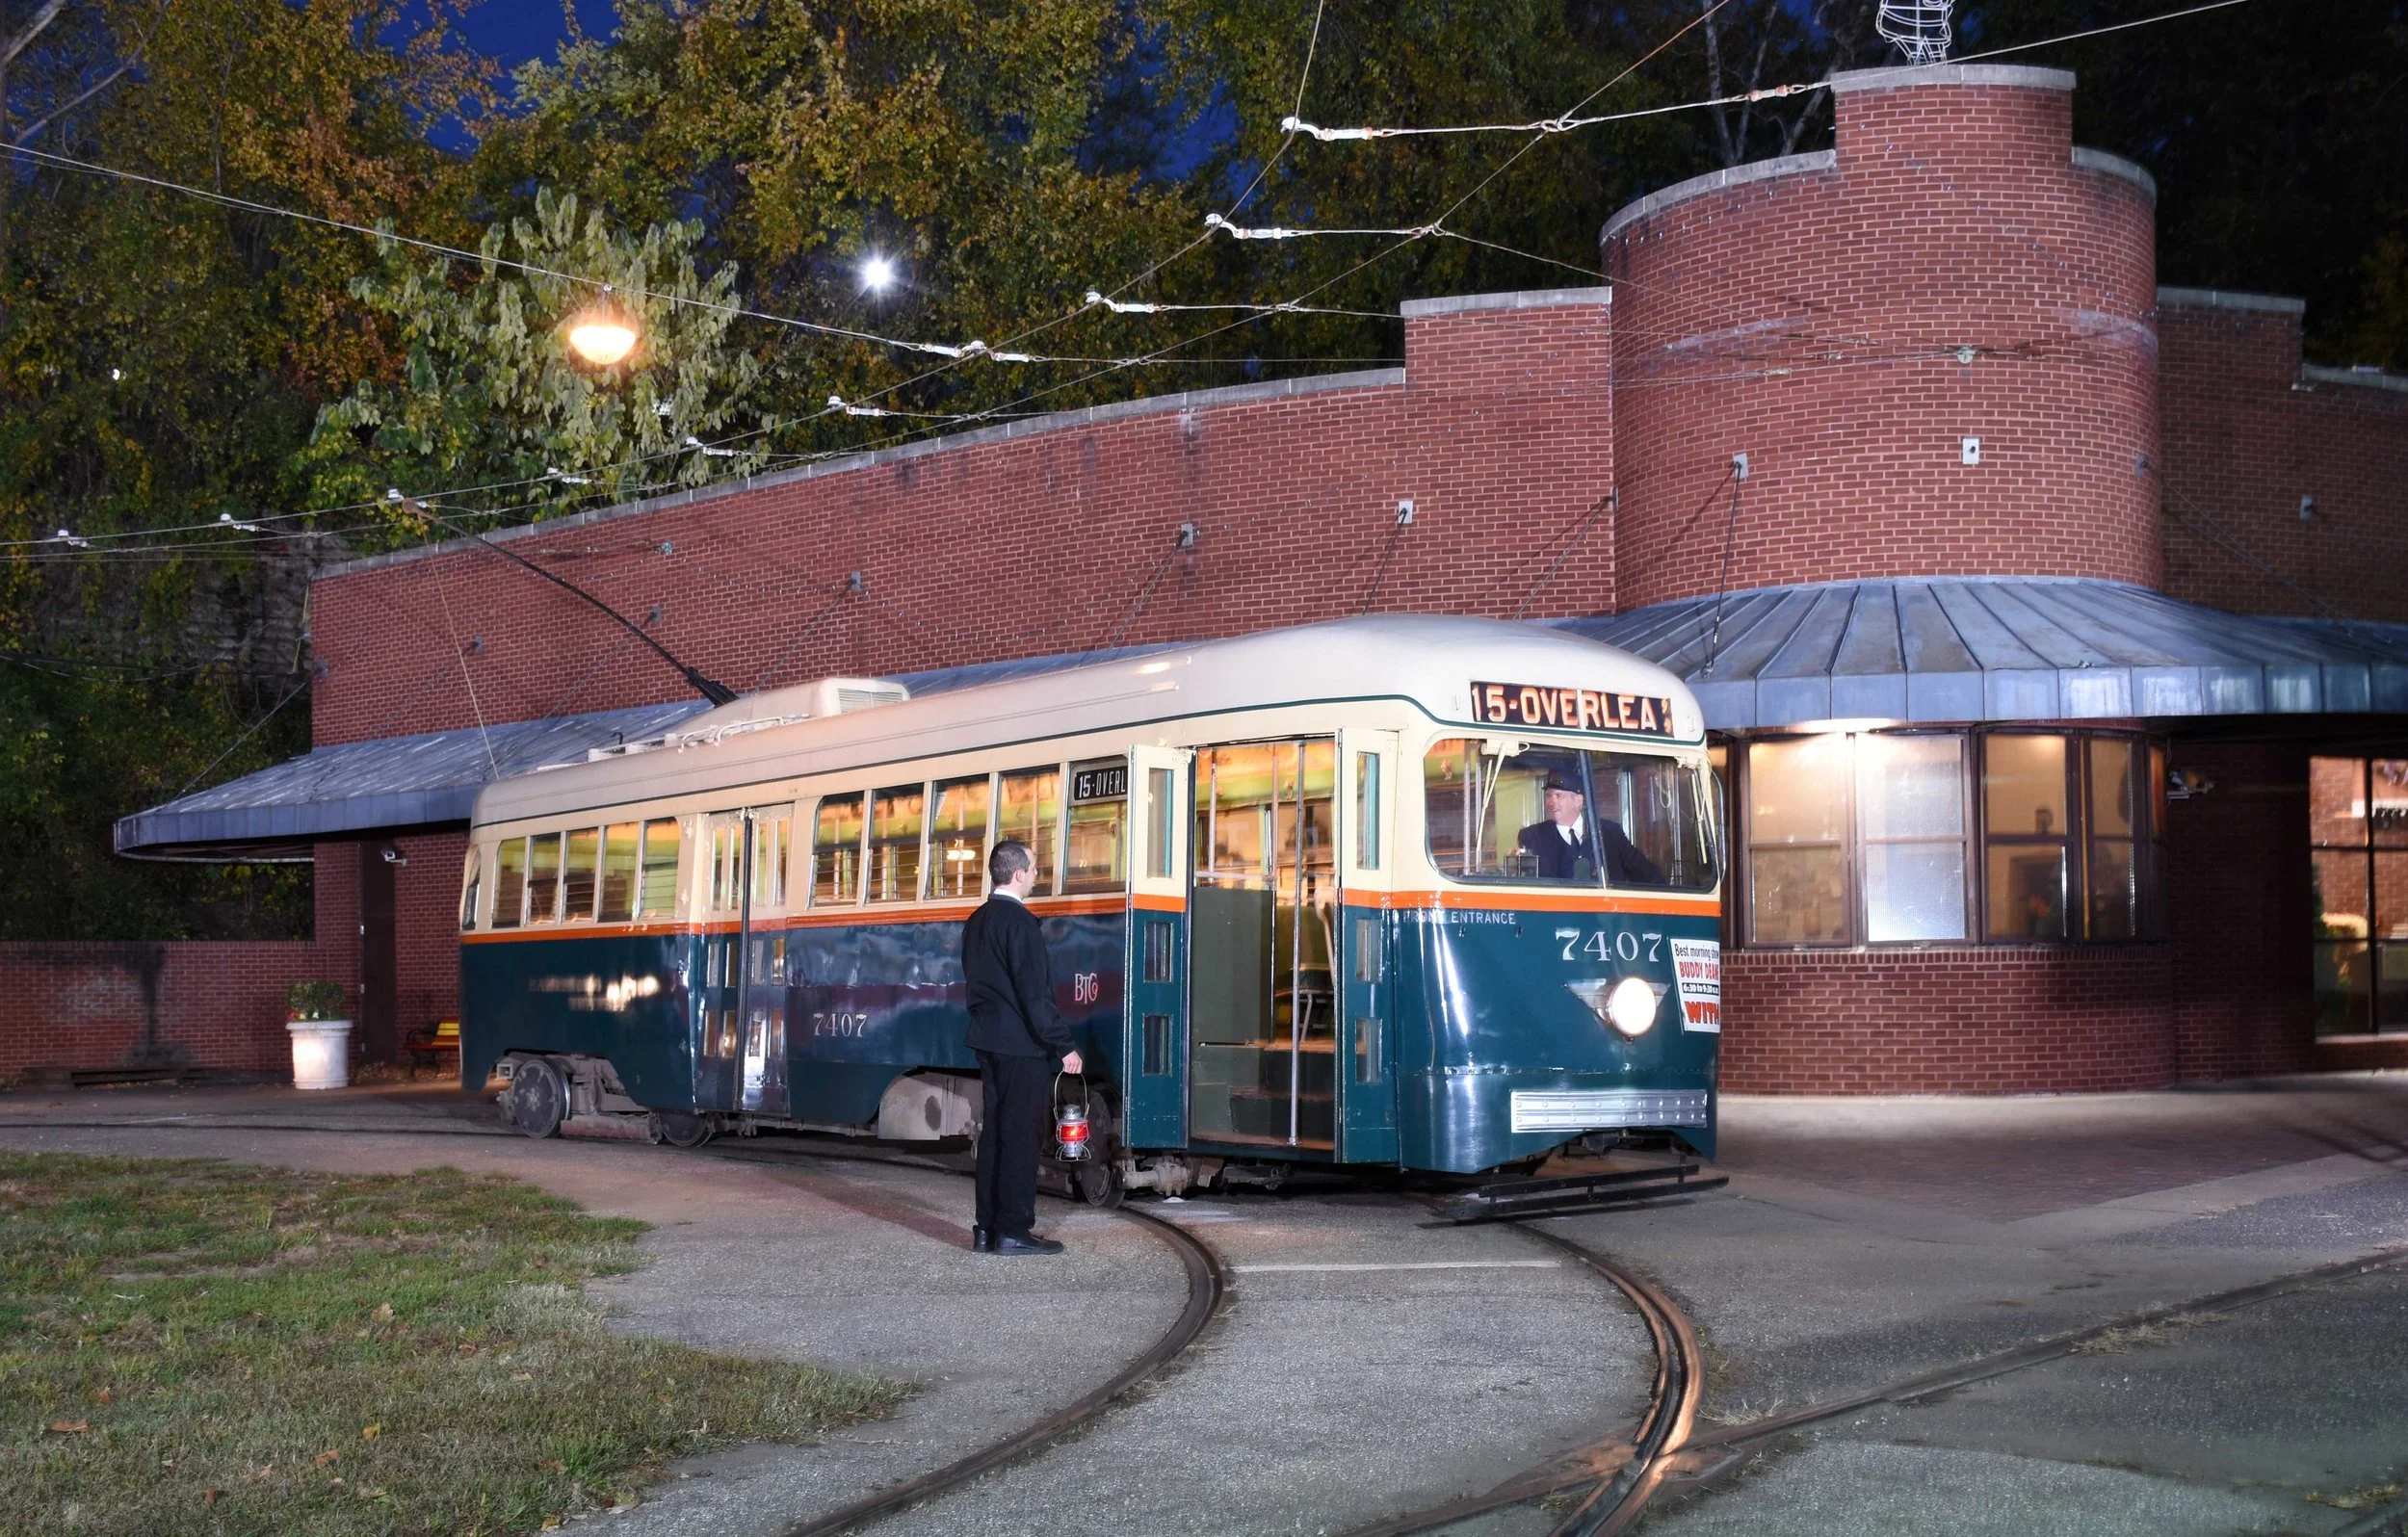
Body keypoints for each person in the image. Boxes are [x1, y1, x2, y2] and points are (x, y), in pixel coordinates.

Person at [961, 839, 1083, 1256]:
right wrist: (1063, 1045)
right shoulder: (1020, 924)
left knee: (994, 1135)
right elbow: (1035, 995)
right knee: (1020, 1137)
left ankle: (987, 1229)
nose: (1035, 875)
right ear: (1017, 875)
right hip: (1022, 1048)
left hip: (988, 1042)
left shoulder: (976, 921)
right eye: (1033, 869)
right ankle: (1013, 1230)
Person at [1518, 771, 1665, 885]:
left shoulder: (1609, 833)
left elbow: (1648, 875)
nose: (1551, 802)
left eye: (1559, 796)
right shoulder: (1532, 837)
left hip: (1605, 922)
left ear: (1578, 801)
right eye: (1549, 796)